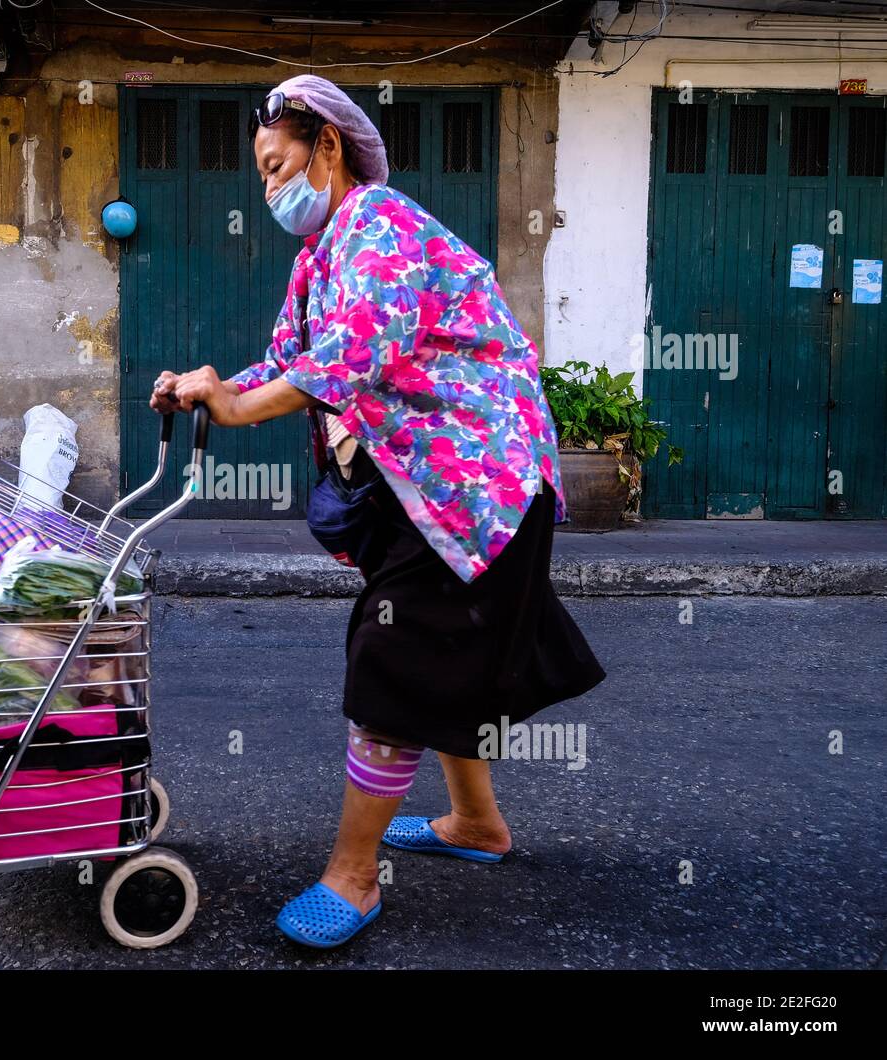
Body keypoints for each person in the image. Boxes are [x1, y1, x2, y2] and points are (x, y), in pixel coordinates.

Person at [149, 74, 606, 949]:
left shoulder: (380, 223)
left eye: (280, 166)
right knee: (444, 654)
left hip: (477, 488)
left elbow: (363, 343)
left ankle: (354, 878)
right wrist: (212, 388)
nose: (273, 189)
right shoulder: (319, 254)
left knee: (396, 657)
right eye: (263, 178)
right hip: (427, 488)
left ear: (327, 147)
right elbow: (291, 355)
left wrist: (245, 407)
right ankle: (476, 823)